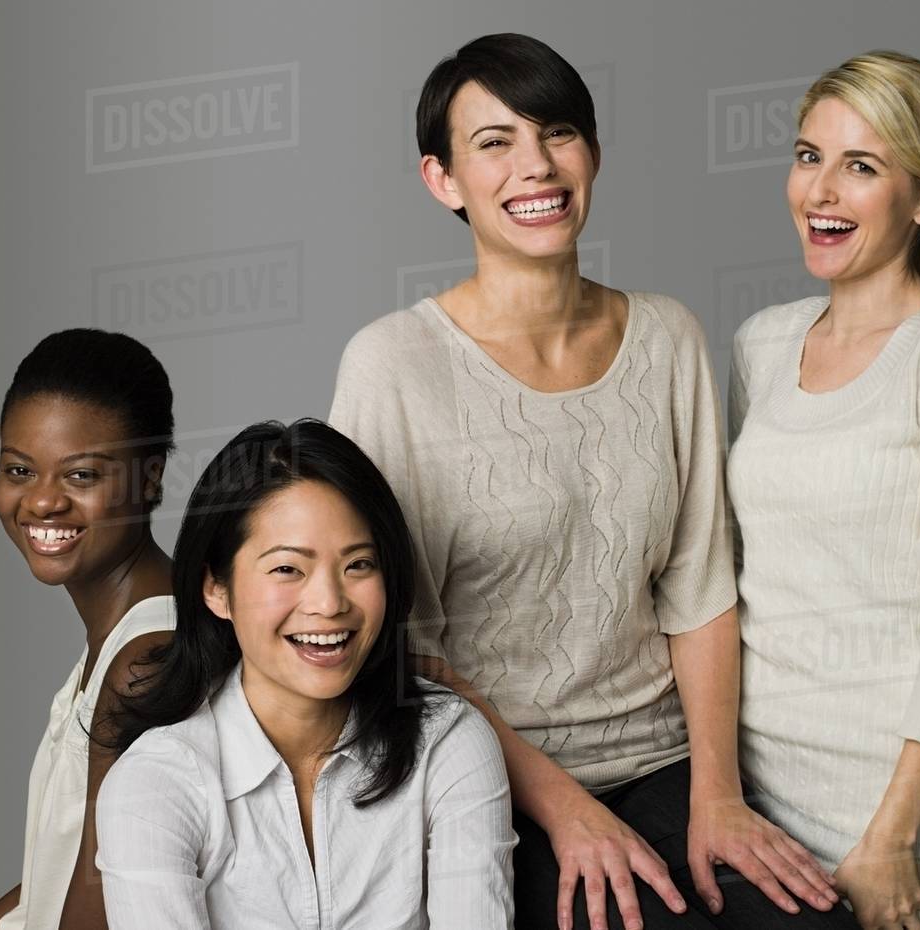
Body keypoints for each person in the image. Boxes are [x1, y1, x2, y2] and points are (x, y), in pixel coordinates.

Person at [330, 33, 856, 930]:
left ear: (594, 155)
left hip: (670, 758)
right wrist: (568, 811)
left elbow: (699, 592)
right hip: (482, 773)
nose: (535, 165)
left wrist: (719, 796)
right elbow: (394, 646)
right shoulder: (393, 365)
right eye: (494, 142)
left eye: (559, 132)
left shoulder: (667, 337)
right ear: (442, 180)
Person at [727, 51, 920, 930]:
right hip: (749, 803)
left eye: (862, 167)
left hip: (880, 812)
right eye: (808, 154)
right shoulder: (762, 344)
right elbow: (742, 569)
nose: (819, 190)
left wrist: (892, 836)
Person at [94, 419, 515, 928]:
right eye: (288, 569)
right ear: (216, 589)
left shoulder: (448, 743)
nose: (330, 603)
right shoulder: (154, 786)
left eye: (359, 565)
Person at [0, 329, 178, 930]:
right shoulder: (123, 640)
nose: (41, 503)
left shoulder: (147, 660)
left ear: (149, 478)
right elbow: (57, 874)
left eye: (81, 476)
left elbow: (102, 901)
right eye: (19, 469)